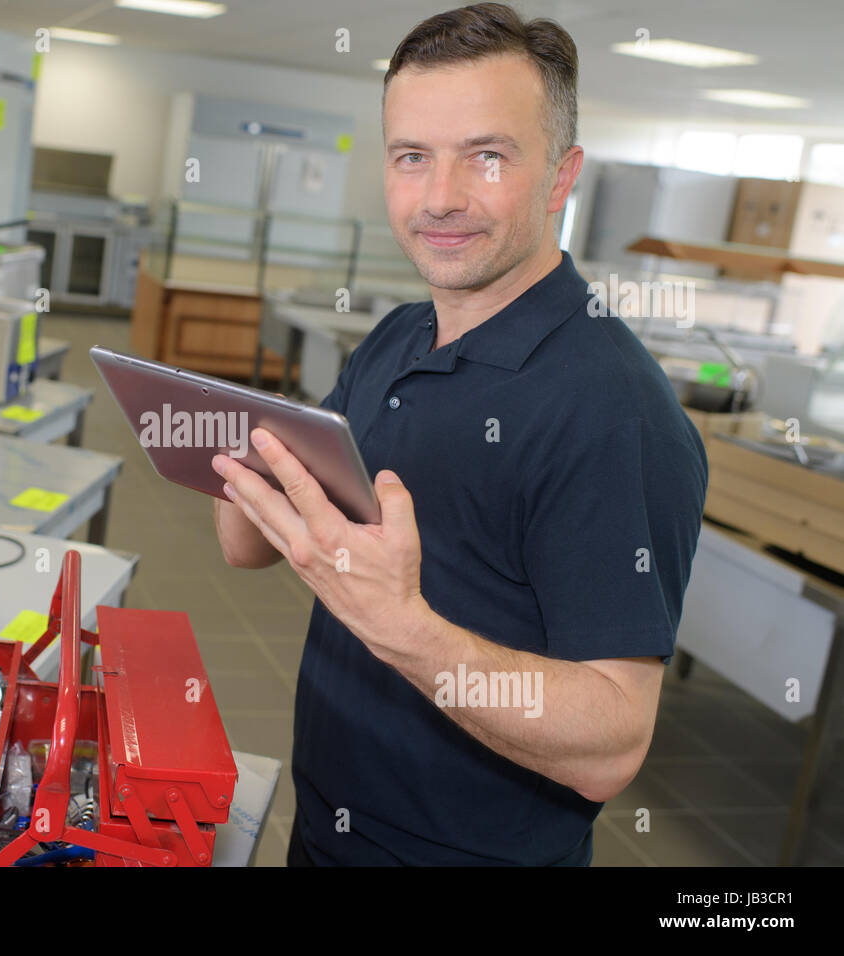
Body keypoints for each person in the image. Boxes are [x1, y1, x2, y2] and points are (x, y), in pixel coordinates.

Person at [211, 2, 707, 866]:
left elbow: (612, 741)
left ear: (560, 178)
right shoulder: (398, 336)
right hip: (326, 830)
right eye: (412, 156)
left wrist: (404, 627)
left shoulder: (613, 412)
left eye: (487, 157)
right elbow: (246, 547)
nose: (440, 197)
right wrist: (227, 453)